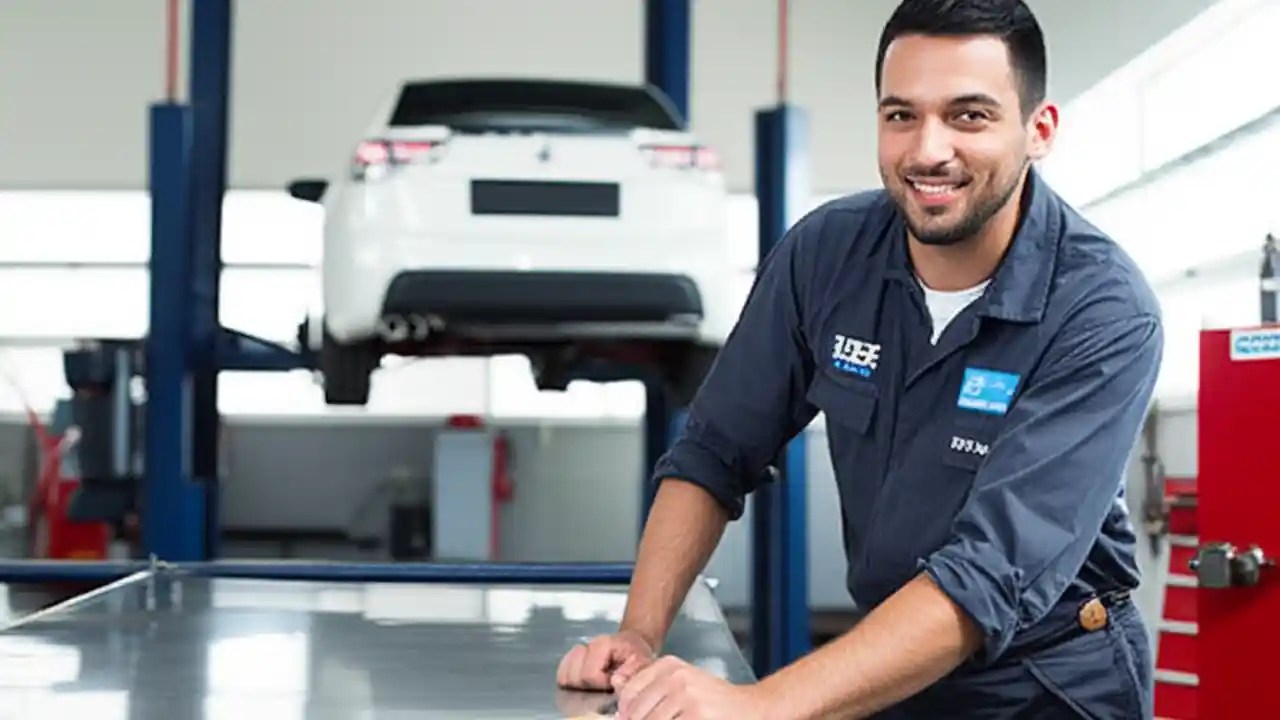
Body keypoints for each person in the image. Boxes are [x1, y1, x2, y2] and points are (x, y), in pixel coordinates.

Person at [556, 0, 1162, 717]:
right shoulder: (826, 256)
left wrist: (761, 706)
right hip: (890, 666)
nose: (928, 151)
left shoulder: (1102, 310)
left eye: (969, 116)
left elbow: (986, 577)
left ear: (1039, 130)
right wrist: (639, 634)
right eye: (901, 115)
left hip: (1048, 684)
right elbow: (713, 454)